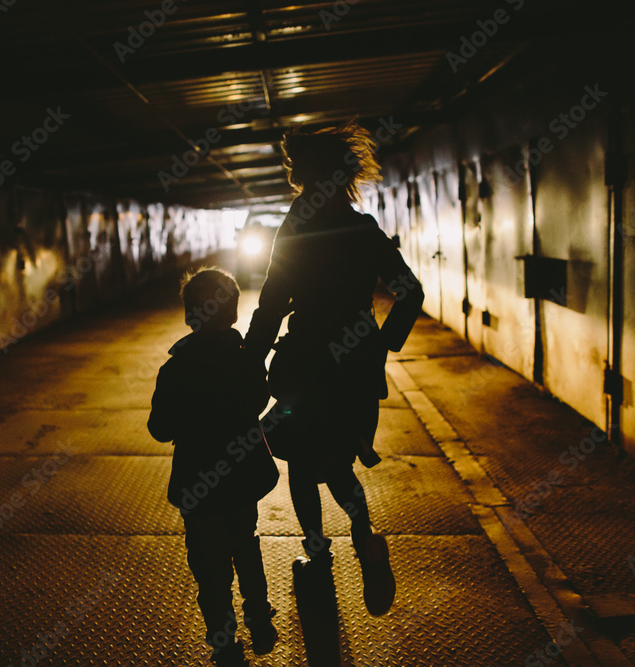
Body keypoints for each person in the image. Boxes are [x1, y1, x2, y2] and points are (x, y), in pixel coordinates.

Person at [243, 121, 424, 617]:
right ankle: (364, 538)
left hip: (306, 363)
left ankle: (318, 554)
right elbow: (411, 292)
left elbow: (273, 303)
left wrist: (250, 360)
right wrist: (381, 345)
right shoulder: (363, 230)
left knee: (302, 464)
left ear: (308, 174)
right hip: (355, 367)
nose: (293, 177)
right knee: (340, 461)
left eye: (296, 168)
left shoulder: (296, 228)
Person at [147, 268, 280, 667]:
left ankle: (224, 643)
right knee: (246, 544)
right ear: (234, 315)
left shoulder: (174, 370)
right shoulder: (244, 362)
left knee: (210, 569)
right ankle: (258, 612)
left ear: (190, 316)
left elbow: (159, 428)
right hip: (241, 478)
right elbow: (259, 399)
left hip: (198, 487)